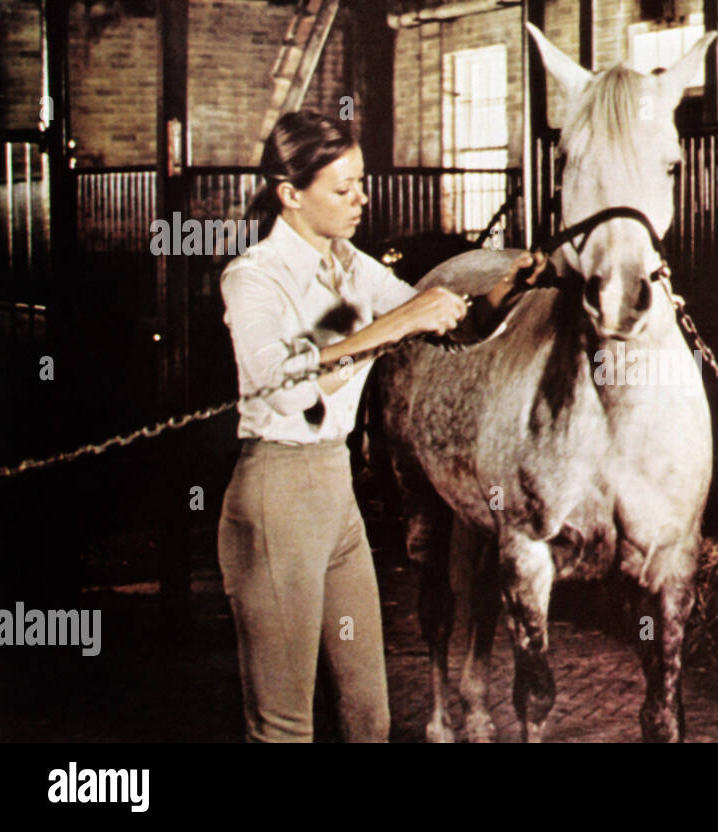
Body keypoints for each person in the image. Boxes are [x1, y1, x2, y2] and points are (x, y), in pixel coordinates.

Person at [217, 110, 538, 741]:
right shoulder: (254, 277)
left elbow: (442, 321)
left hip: (337, 492)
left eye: (361, 181)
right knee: (283, 724)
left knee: (370, 716)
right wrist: (399, 322)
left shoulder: (351, 265)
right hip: (277, 492)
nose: (362, 198)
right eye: (343, 188)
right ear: (290, 194)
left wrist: (506, 289)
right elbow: (278, 387)